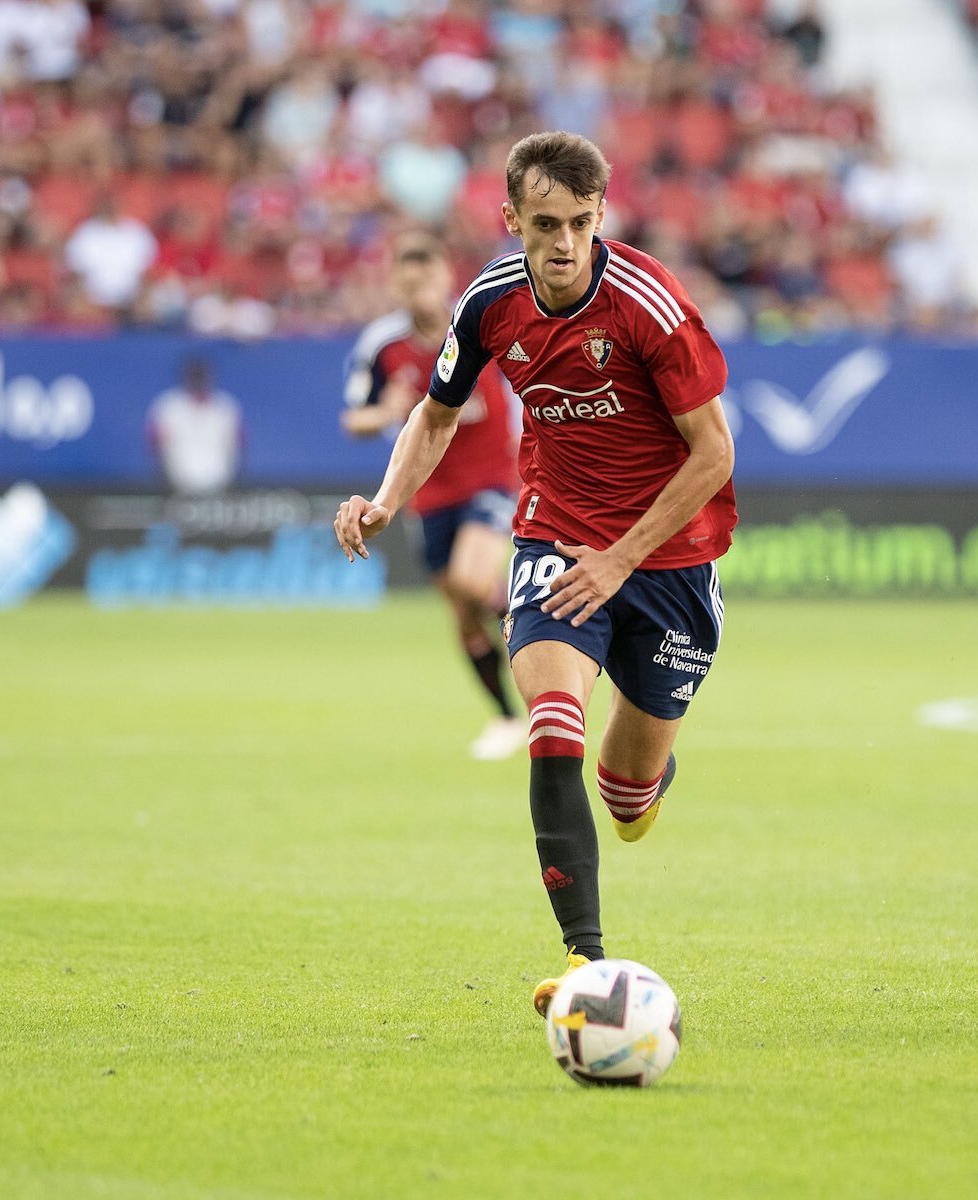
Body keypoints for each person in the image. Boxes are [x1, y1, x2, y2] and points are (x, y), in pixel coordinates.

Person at [334, 132, 736, 1014]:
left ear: (603, 217)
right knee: (552, 722)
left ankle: (644, 779)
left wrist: (621, 558)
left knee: (627, 801)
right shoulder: (487, 302)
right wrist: (385, 501)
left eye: (581, 224)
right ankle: (587, 963)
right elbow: (434, 417)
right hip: (555, 537)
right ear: (511, 217)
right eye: (545, 223)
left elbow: (713, 454)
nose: (563, 243)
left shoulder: (652, 306)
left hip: (667, 558)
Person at [341, 231, 525, 762]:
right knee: (464, 613)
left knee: (473, 580)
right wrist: (388, 410)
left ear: (446, 275)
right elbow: (355, 416)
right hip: (428, 488)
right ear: (397, 282)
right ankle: (507, 717)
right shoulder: (383, 345)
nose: (419, 286)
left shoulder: (479, 320)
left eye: (428, 274)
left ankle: (538, 633)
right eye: (408, 275)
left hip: (493, 475)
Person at [147, 358, 244, 495]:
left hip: (219, 483)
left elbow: (238, 446)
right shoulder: (168, 406)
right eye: (194, 376)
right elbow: (155, 446)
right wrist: (165, 483)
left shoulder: (225, 406)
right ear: (186, 377)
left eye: (201, 376)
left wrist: (231, 482)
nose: (198, 381)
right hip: (179, 484)